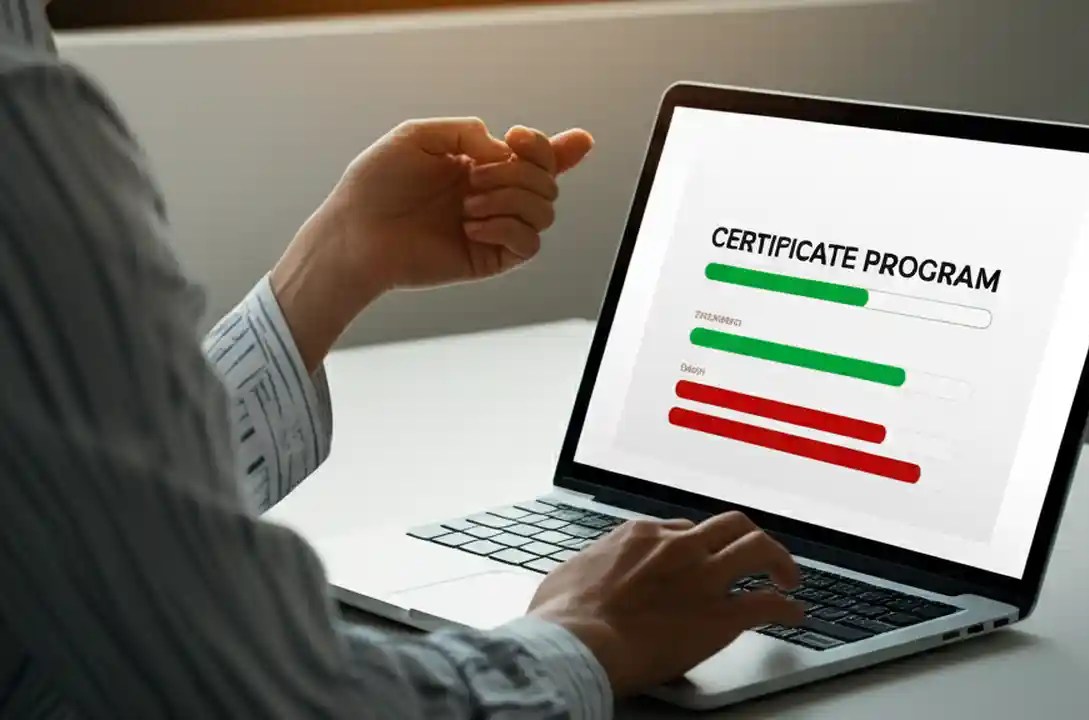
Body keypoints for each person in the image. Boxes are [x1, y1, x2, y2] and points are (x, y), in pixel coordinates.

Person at [0, 2, 805, 717]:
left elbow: (73, 500)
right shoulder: (21, 121)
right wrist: (585, 637)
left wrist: (337, 262)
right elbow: (261, 692)